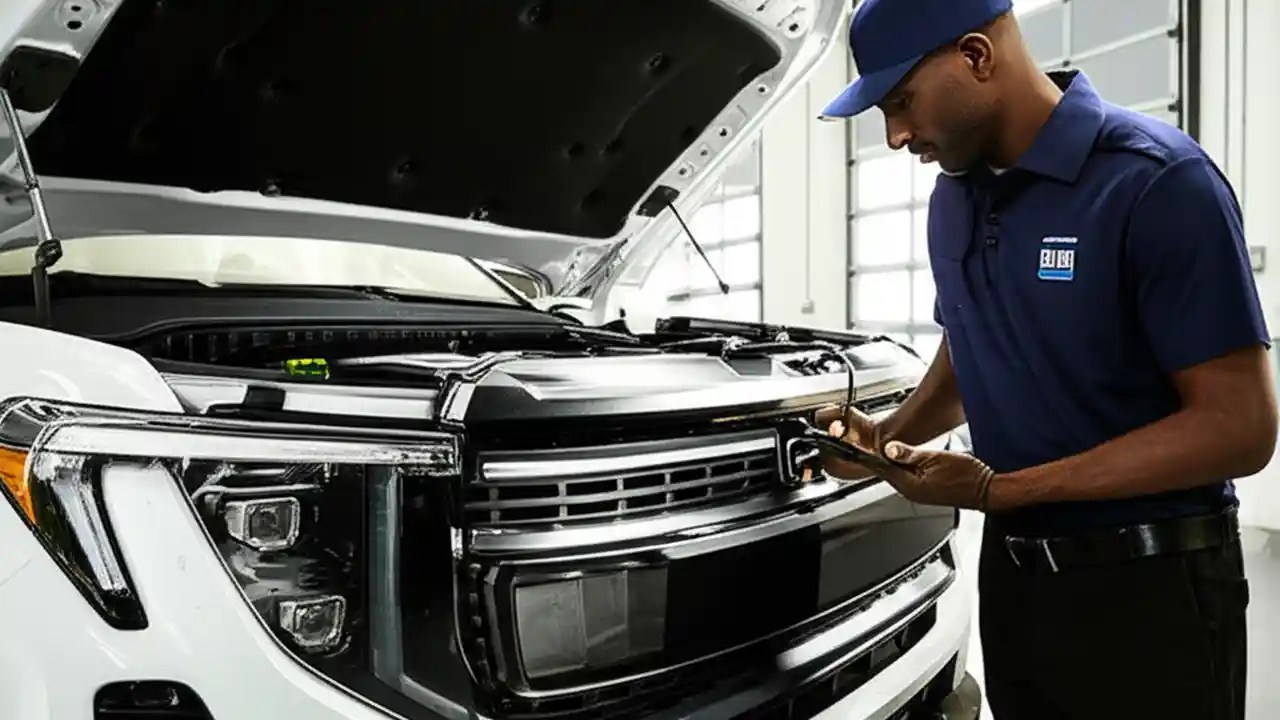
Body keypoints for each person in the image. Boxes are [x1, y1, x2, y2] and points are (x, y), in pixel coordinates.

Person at [814, 0, 1278, 718]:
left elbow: (1241, 428)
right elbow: (973, 342)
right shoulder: (953, 201)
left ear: (976, 56)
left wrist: (1004, 490)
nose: (897, 134)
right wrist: (884, 438)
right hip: (1015, 584)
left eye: (901, 100)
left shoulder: (1159, 183)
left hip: (1152, 596)